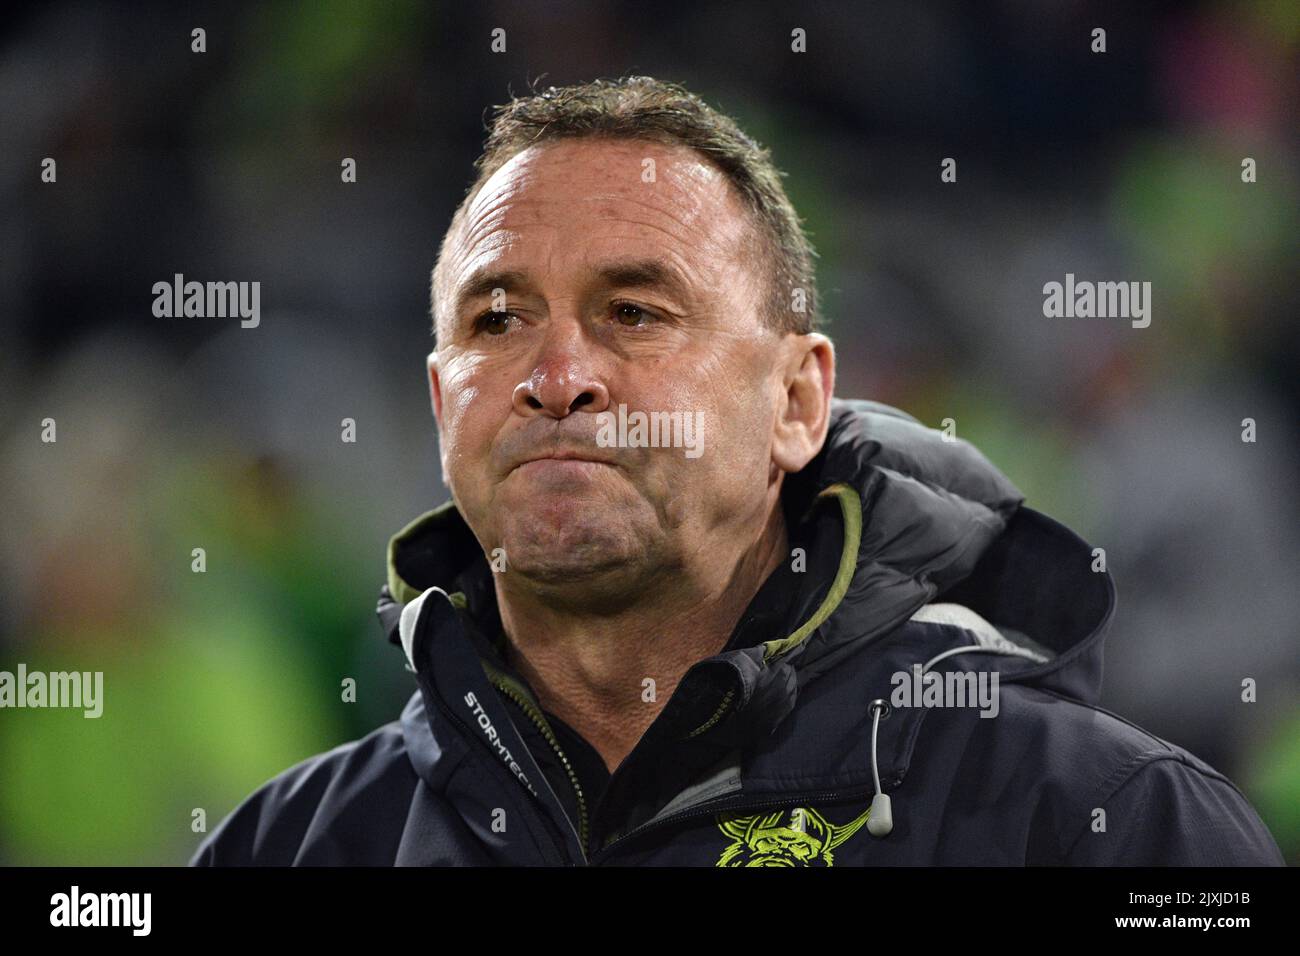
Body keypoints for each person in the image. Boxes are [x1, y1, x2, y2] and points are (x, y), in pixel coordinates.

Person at [191, 76, 1284, 866]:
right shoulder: (286, 845)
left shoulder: (1111, 826)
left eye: (633, 311)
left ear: (798, 401)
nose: (557, 375)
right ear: (442, 405)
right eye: (498, 317)